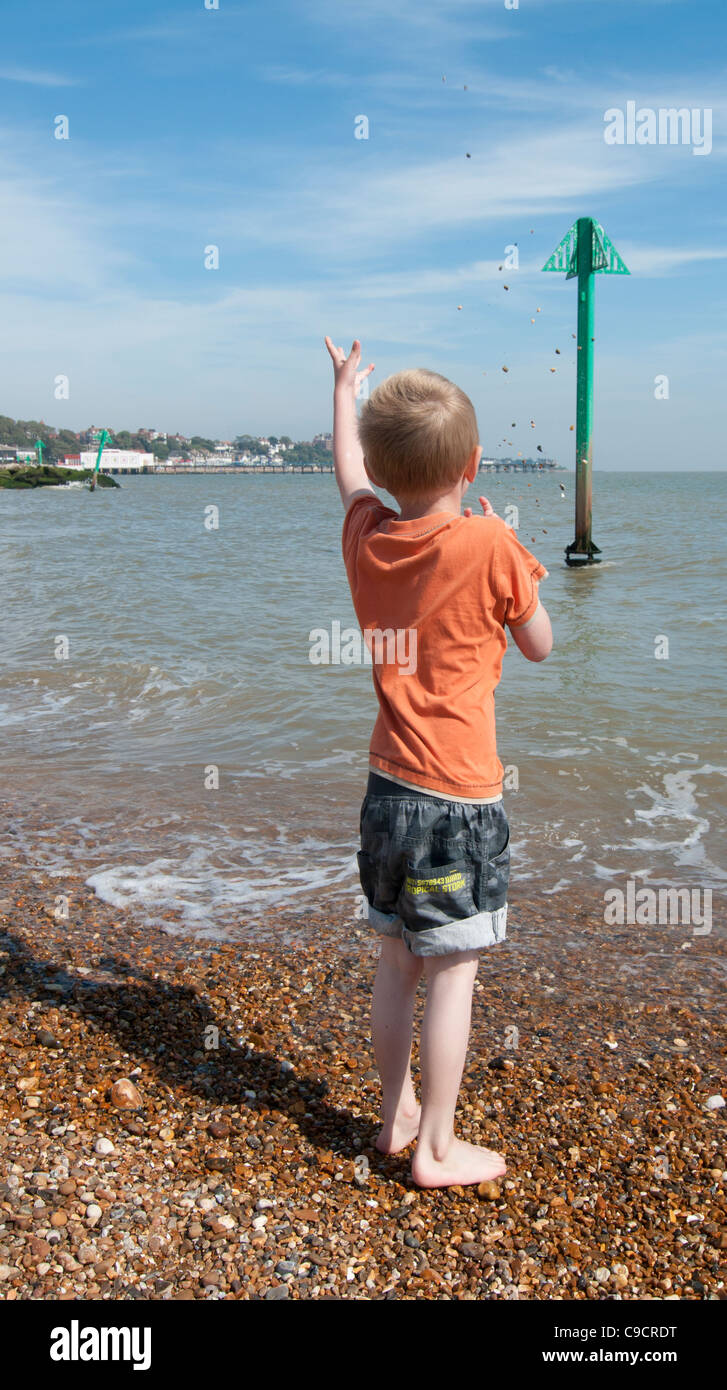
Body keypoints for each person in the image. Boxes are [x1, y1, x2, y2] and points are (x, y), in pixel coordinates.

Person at [324, 336, 553, 1189]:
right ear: (474, 462)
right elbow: (539, 645)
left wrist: (345, 390)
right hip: (458, 802)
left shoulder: (365, 535)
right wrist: (510, 548)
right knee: (452, 973)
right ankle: (438, 1150)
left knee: (396, 963)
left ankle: (394, 1120)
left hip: (386, 792)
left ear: (386, 472)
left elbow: (346, 467)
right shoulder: (491, 545)